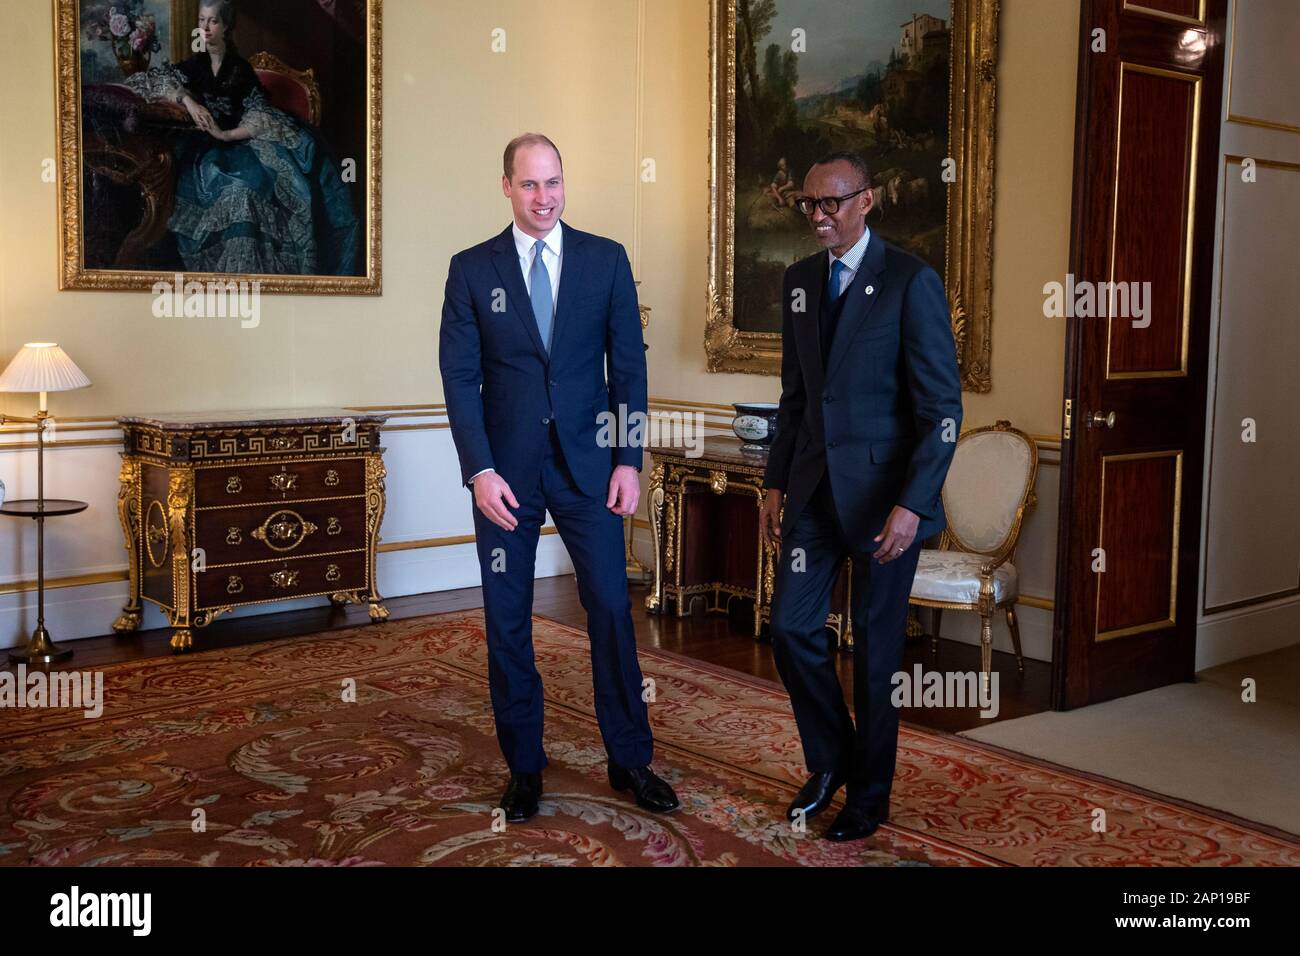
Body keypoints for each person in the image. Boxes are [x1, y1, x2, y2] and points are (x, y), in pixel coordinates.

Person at [439, 133, 679, 822]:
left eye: (554, 183)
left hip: (591, 471)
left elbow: (628, 370)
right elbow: (459, 378)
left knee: (609, 606)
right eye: (530, 185)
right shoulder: (470, 269)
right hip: (504, 479)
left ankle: (630, 758)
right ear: (507, 187)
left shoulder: (605, 261)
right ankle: (524, 768)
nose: (544, 198)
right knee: (507, 619)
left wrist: (629, 460)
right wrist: (479, 471)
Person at [759, 151, 962, 841]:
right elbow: (793, 399)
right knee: (789, 627)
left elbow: (941, 409)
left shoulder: (911, 281)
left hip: (886, 508)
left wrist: (913, 504)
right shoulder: (797, 283)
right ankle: (833, 760)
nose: (818, 216)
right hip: (813, 496)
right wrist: (774, 482)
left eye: (832, 204)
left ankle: (868, 799)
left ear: (867, 200)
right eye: (809, 205)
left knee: (876, 659)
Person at [124, 0, 358, 275]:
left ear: (226, 27)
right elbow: (156, 81)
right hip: (202, 150)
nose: (206, 28)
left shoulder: (241, 70)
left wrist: (225, 134)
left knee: (247, 188)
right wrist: (188, 101)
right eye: (201, 21)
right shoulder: (194, 66)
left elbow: (259, 114)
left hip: (241, 142)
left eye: (213, 21)